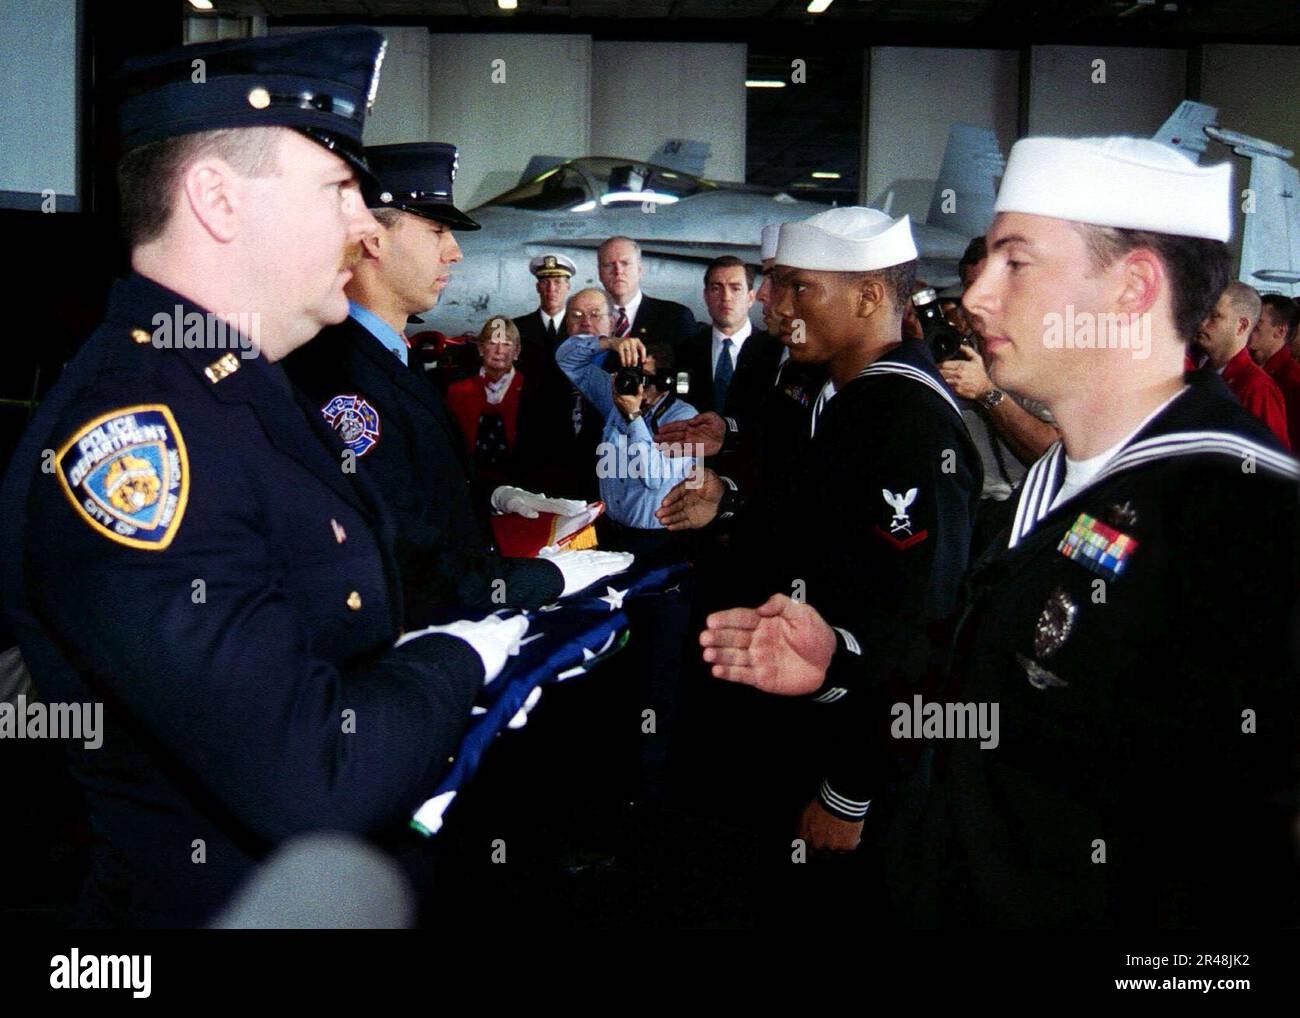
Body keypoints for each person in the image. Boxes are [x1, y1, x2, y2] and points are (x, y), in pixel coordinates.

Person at [0, 28, 531, 927]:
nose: (366, 226)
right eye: (338, 190)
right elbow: (314, 776)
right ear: (216, 200)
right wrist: (465, 657)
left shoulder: (238, 389)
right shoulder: (137, 439)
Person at [702, 136, 1300, 927]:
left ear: (1133, 290)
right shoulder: (1061, 484)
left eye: (1015, 264)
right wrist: (839, 666)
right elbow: (981, 707)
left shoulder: (1239, 517)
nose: (974, 294)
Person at [709, 207, 982, 847]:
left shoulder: (908, 422)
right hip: (802, 709)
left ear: (867, 296)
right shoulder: (840, 395)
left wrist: (850, 789)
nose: (776, 305)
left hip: (861, 757)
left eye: (799, 287)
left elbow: (920, 626)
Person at [284, 143, 630, 625]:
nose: (455, 251)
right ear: (372, 238)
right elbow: (400, 557)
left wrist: (495, 495)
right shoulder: (335, 374)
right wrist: (542, 579)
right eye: (437, 230)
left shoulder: (388, 355)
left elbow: (414, 478)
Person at [555, 289, 699, 563]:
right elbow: (566, 358)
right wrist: (611, 343)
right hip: (608, 532)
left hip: (655, 542)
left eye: (643, 377)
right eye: (630, 373)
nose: (633, 383)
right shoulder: (616, 397)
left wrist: (634, 419)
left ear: (665, 382)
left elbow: (653, 476)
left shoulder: (684, 418)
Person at [512, 253, 603, 500]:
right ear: (537, 286)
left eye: (558, 282)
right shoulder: (518, 329)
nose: (551, 288)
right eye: (545, 282)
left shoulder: (584, 329)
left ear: (568, 286)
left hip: (581, 434)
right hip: (535, 434)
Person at [1195, 280, 1290, 449]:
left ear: (1241, 326)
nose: (1202, 322)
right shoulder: (1199, 375)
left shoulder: (1257, 388)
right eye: (1203, 313)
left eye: (1215, 316)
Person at [446, 315, 526, 500]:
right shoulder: (457, 392)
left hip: (521, 485)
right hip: (470, 485)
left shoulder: (531, 390)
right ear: (481, 348)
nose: (499, 351)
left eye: (506, 344)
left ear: (517, 351)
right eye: (492, 343)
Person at [598, 236, 696, 350]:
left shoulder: (675, 317)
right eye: (609, 265)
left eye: (625, 263)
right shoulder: (585, 320)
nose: (618, 271)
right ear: (599, 272)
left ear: (639, 269)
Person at [1249, 291, 1300, 449]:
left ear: (1280, 331)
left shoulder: (1292, 380)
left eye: (1258, 323)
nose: (1249, 327)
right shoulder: (1250, 367)